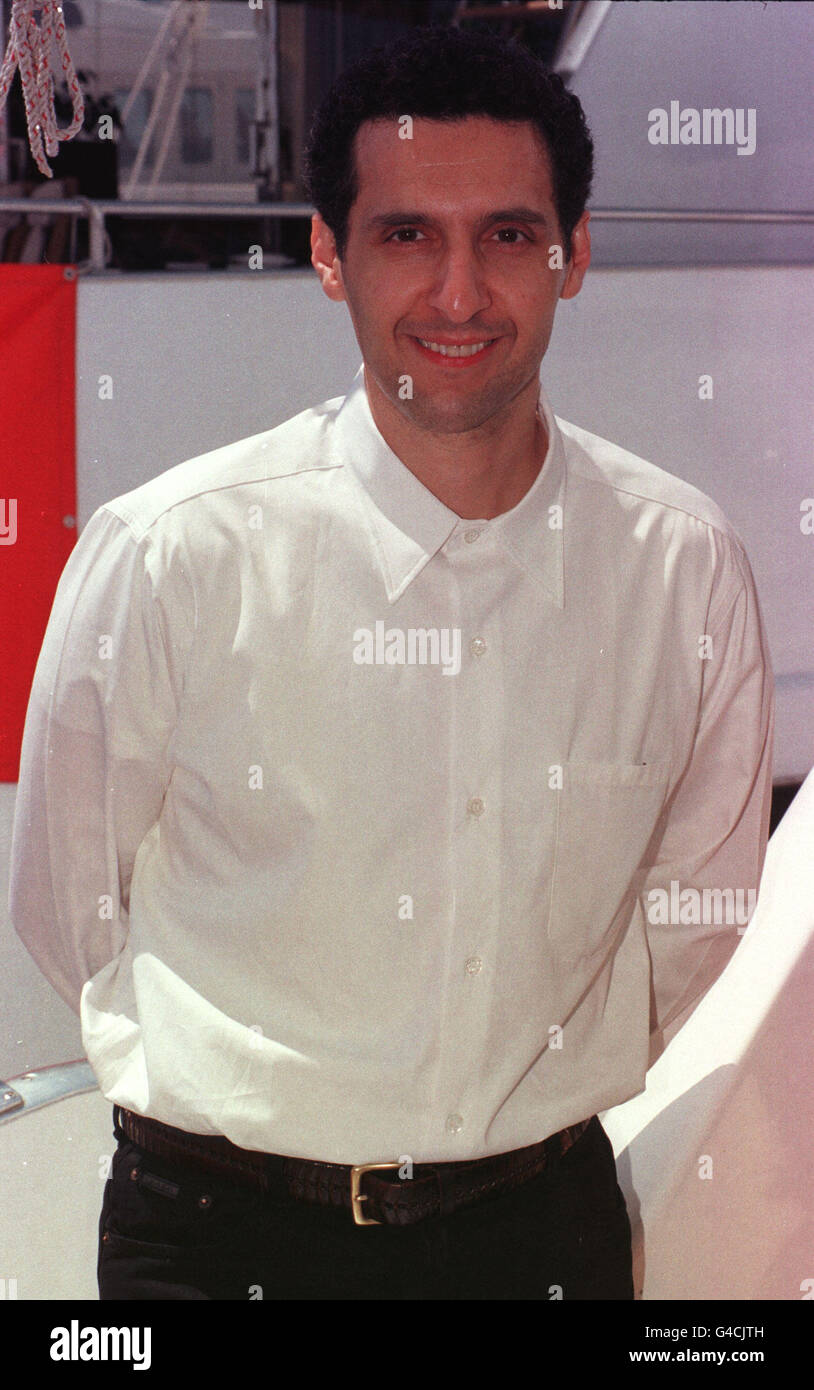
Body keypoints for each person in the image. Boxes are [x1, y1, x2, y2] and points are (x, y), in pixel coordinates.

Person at [8, 24, 774, 1302]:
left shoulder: (680, 568)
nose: (460, 294)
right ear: (326, 253)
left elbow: (695, 908)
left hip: (537, 1236)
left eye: (509, 236)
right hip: (214, 1240)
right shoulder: (174, 555)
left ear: (572, 255)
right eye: (407, 234)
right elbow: (67, 905)